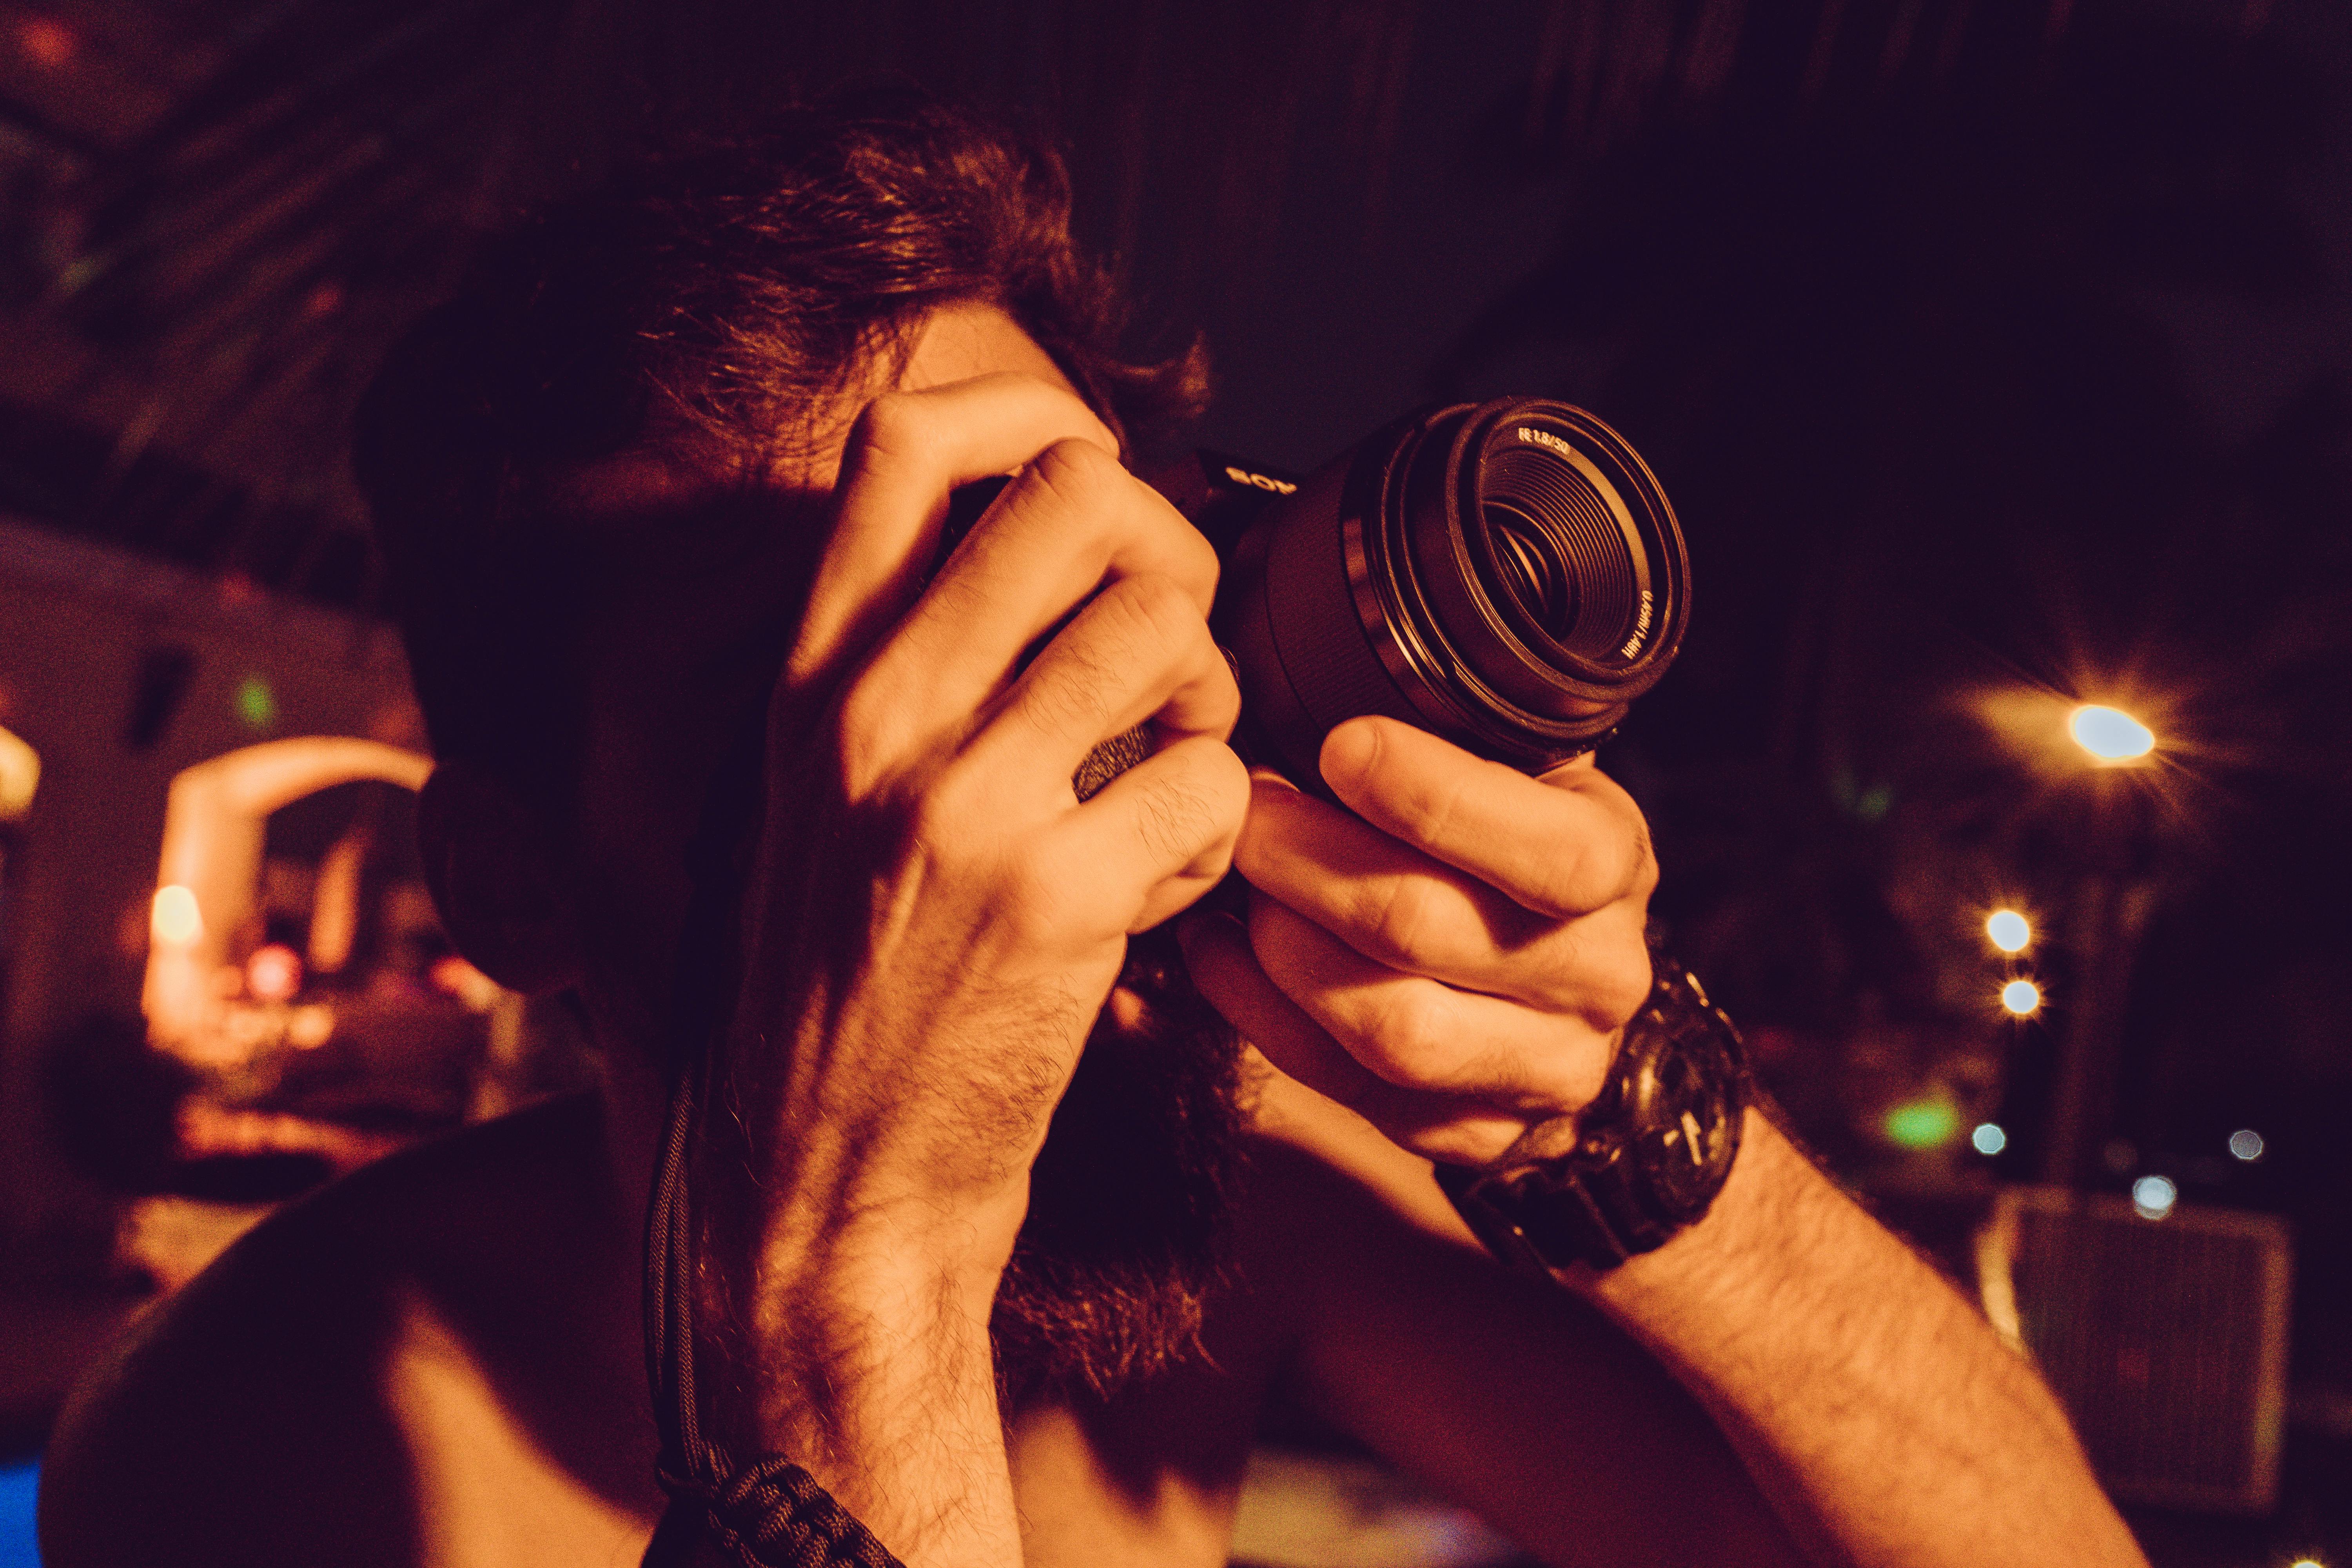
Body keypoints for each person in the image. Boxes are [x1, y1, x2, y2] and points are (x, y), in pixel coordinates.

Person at [40, 93, 2148, 1568]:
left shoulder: (1243, 1228)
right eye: (820, 695)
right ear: (506, 881)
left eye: (1052, 618)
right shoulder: (272, 1429)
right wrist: (851, 1290)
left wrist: (1632, 1130)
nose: (979, 787)